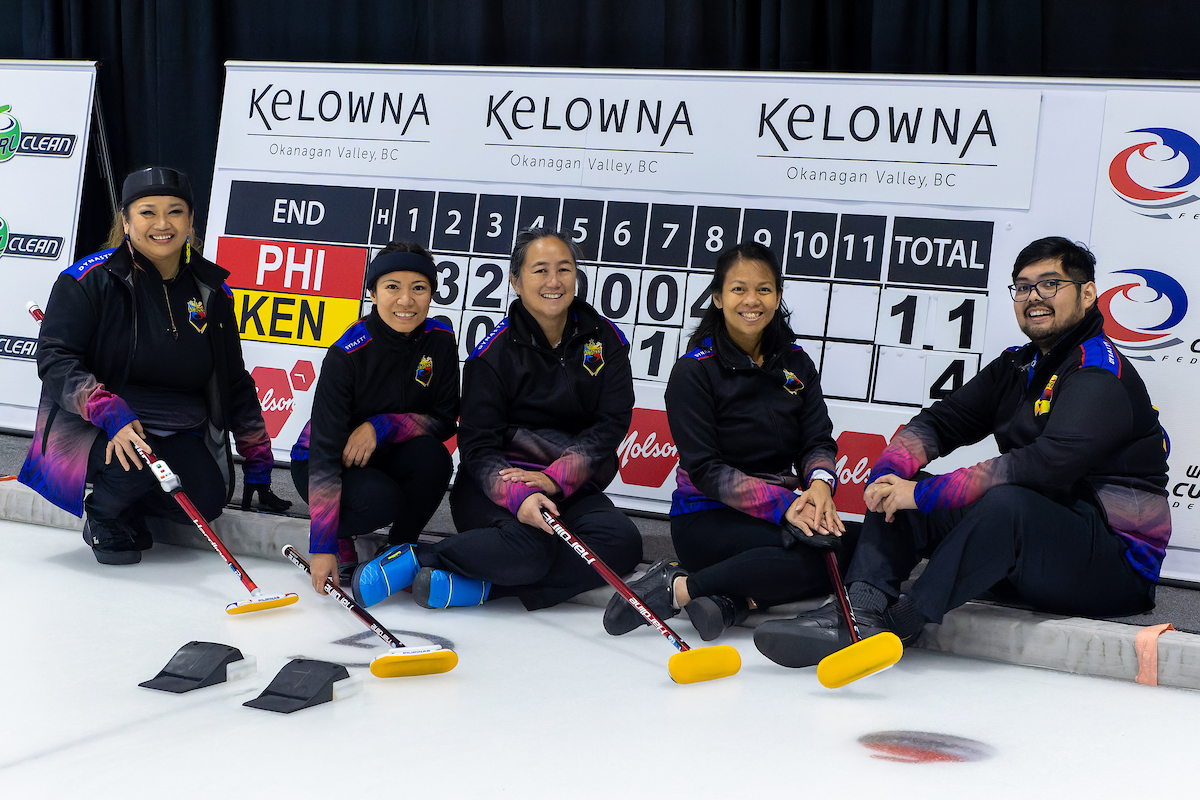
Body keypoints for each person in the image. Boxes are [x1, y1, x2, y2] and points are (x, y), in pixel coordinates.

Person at [754, 236, 1172, 667]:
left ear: (1087, 294)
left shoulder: (1098, 372)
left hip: (1113, 567)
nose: (1034, 297)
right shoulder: (1019, 364)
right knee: (903, 485)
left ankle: (900, 625)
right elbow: (940, 422)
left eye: (1050, 284)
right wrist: (888, 474)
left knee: (1004, 502)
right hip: (1032, 551)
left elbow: (1044, 466)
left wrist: (921, 495)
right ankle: (859, 613)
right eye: (1023, 287)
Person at [350, 227, 642, 611]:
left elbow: (611, 423)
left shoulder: (607, 340)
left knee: (622, 542)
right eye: (540, 270)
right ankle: (416, 557)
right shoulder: (491, 354)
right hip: (496, 489)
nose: (554, 281)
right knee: (530, 549)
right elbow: (478, 447)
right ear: (516, 282)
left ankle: (482, 588)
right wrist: (520, 495)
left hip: (569, 485)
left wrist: (555, 478)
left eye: (564, 269)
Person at [19, 166, 286, 565]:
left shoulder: (213, 292)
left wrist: (259, 460)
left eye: (175, 212)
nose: (162, 224)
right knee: (133, 465)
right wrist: (108, 410)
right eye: (148, 212)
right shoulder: (87, 280)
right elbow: (56, 360)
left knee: (207, 500)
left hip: (176, 426)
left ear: (191, 221)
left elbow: (233, 380)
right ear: (126, 221)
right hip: (97, 424)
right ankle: (105, 512)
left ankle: (133, 504)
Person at [602, 242, 845, 641]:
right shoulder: (694, 372)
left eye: (764, 289)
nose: (752, 300)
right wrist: (785, 505)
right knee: (815, 558)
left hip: (779, 512)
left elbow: (817, 440)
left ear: (778, 296)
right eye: (738, 289)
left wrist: (819, 485)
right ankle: (677, 588)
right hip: (707, 517)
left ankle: (729, 601)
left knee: (851, 547)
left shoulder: (797, 361)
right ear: (717, 297)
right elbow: (706, 470)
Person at [290, 242, 458, 592]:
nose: (406, 300)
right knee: (380, 501)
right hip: (325, 461)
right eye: (392, 287)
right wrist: (321, 545)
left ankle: (398, 550)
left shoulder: (440, 340)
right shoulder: (346, 354)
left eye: (418, 288)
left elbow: (444, 420)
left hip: (385, 452)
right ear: (372, 292)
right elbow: (323, 453)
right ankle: (339, 535)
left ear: (431, 293)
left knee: (435, 458)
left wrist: (382, 426)